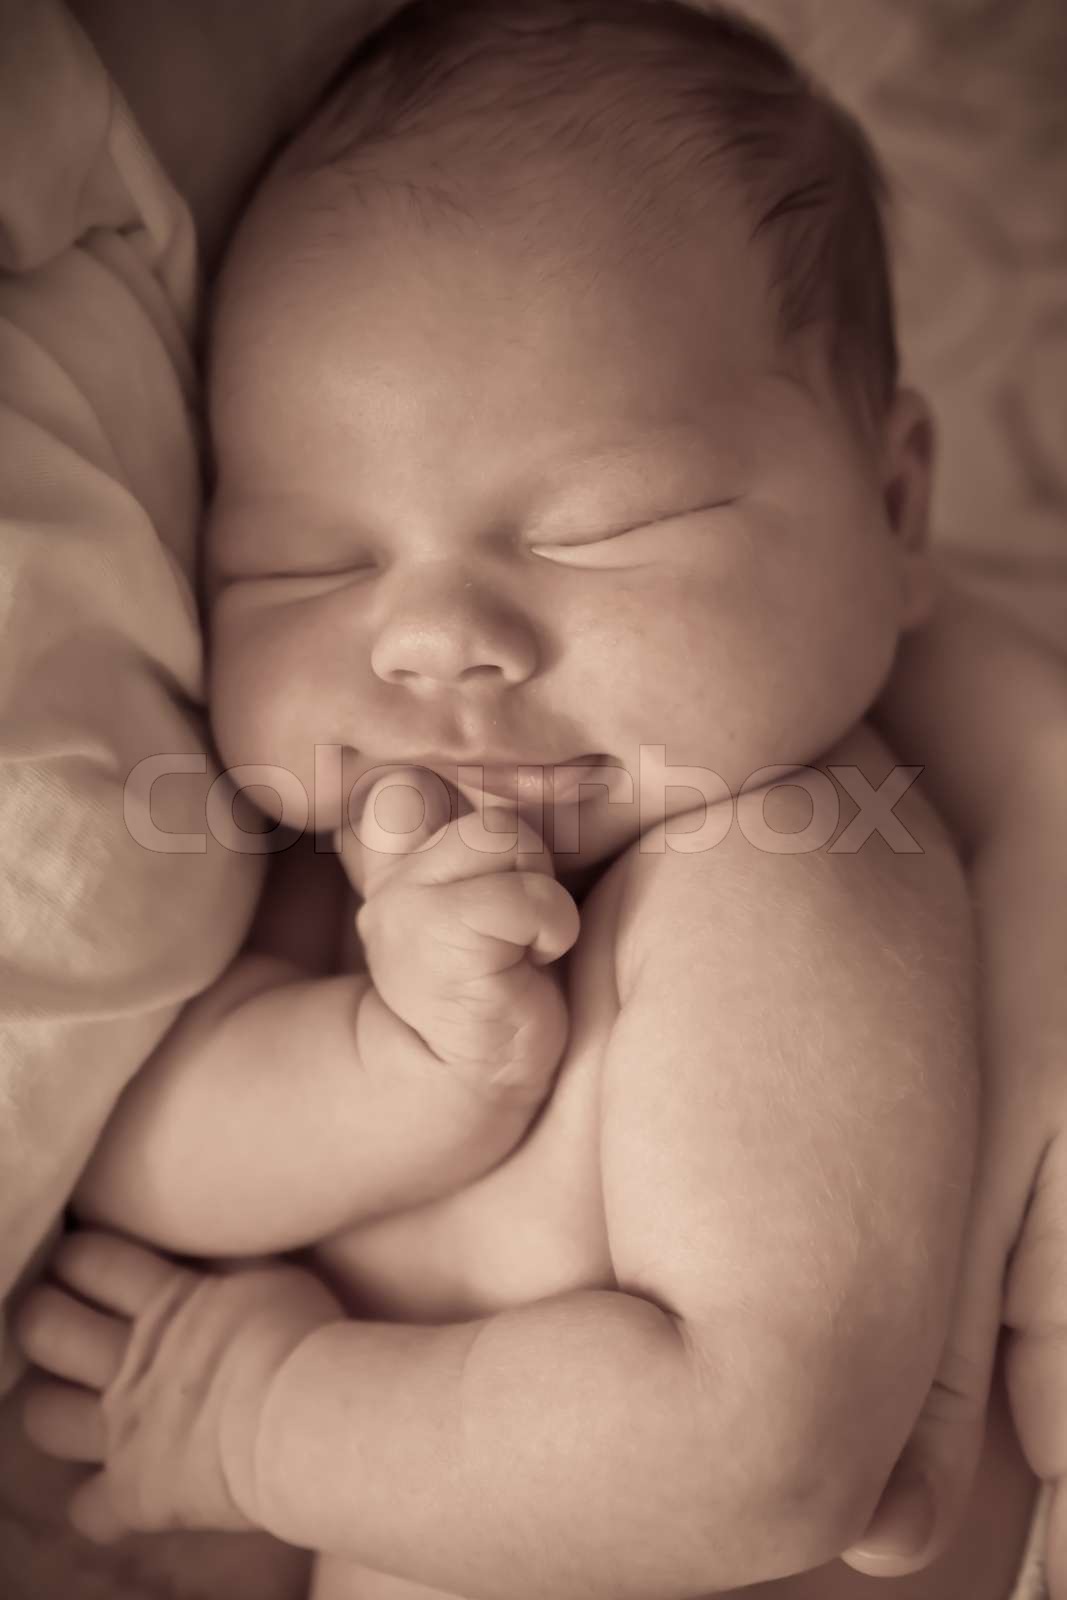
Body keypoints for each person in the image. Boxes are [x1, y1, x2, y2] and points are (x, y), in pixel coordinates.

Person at [14, 2, 1067, 1597]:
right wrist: (394, 1069)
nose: (431, 638)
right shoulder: (326, 878)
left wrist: (263, 1415)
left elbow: (764, 1451)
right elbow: (131, 1152)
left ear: (895, 502)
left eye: (597, 527)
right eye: (304, 566)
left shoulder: (786, 871)